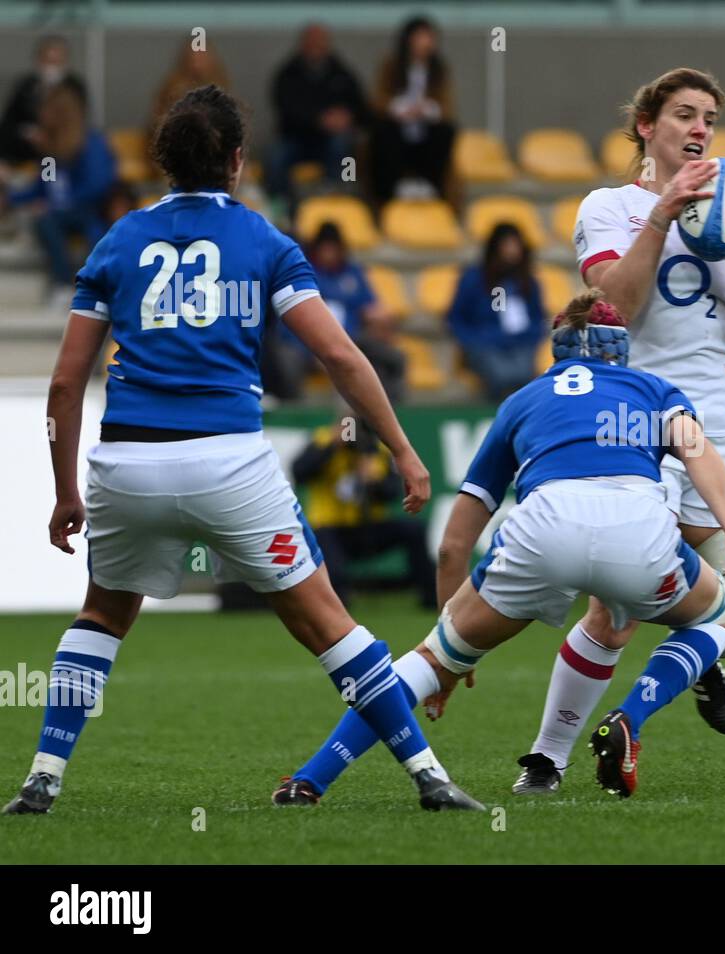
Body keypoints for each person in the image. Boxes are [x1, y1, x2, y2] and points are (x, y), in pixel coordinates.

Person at [2, 84, 478, 816]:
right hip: (227, 458)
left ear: (163, 161)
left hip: (128, 459)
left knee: (100, 616)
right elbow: (344, 359)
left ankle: (42, 778)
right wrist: (403, 450)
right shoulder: (263, 239)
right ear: (237, 160)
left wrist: (66, 493)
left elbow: (66, 386)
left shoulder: (118, 240)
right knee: (326, 622)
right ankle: (430, 778)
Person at [271, 291, 725, 804]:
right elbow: (697, 454)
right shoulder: (655, 388)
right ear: (620, 346)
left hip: (542, 529)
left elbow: (454, 544)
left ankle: (312, 779)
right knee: (714, 617)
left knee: (428, 661)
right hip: (637, 528)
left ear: (555, 349)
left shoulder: (522, 401)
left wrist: (450, 647)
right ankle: (629, 716)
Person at [511, 67, 725, 797]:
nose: (699, 129)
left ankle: (698, 646)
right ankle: (548, 760)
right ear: (647, 125)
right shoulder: (609, 207)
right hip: (636, 418)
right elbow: (610, 305)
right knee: (615, 607)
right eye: (683, 115)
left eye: (708, 118)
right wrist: (662, 216)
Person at [292, 418, 438, 609]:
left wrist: (374, 483)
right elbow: (300, 472)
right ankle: (338, 604)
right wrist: (333, 446)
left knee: (414, 530)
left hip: (369, 526)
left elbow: (391, 493)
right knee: (334, 569)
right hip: (330, 527)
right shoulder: (324, 440)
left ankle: (430, 596)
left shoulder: (377, 451)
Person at [264, 221, 406, 401]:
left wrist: (380, 318)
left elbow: (370, 306)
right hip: (304, 343)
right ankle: (294, 412)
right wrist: (320, 350)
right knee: (287, 360)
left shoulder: (353, 273)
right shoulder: (301, 271)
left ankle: (390, 410)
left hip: (350, 340)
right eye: (325, 248)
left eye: (333, 249)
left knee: (393, 357)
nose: (329, 254)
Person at [3, 81, 116, 297]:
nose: (41, 114)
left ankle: (88, 287)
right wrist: (11, 199)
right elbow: (43, 188)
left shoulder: (91, 143)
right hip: (59, 214)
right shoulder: (49, 151)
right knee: (44, 220)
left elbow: (97, 184)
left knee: (84, 226)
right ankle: (63, 283)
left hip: (89, 210)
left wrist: (60, 204)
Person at [265, 23, 368, 207]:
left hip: (330, 140)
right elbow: (286, 109)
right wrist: (318, 120)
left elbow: (360, 106)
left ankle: (340, 196)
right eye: (312, 42)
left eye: (320, 42)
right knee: (276, 156)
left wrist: (346, 117)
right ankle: (279, 205)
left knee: (345, 149)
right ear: (302, 44)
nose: (316, 47)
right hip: (295, 138)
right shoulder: (288, 74)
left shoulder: (341, 73)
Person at [447, 221, 548, 400]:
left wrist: (528, 338)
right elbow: (456, 318)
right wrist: (473, 340)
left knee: (524, 376)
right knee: (501, 376)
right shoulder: (474, 279)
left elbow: (538, 319)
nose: (512, 250)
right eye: (507, 244)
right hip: (484, 345)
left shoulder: (528, 282)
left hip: (520, 344)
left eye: (515, 244)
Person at [370, 16, 456, 205]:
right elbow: (378, 100)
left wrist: (426, 109)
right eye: (421, 37)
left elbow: (446, 106)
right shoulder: (391, 66)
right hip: (398, 131)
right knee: (382, 132)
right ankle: (391, 189)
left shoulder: (439, 70)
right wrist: (400, 108)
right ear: (409, 40)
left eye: (430, 38)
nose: (426, 43)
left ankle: (430, 185)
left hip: (425, 133)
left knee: (446, 131)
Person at [0, 35, 88, 164]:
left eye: (56, 61)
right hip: (25, 154)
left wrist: (51, 137)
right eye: (47, 60)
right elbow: (9, 122)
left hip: (62, 152)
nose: (51, 67)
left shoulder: (74, 87)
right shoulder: (25, 86)